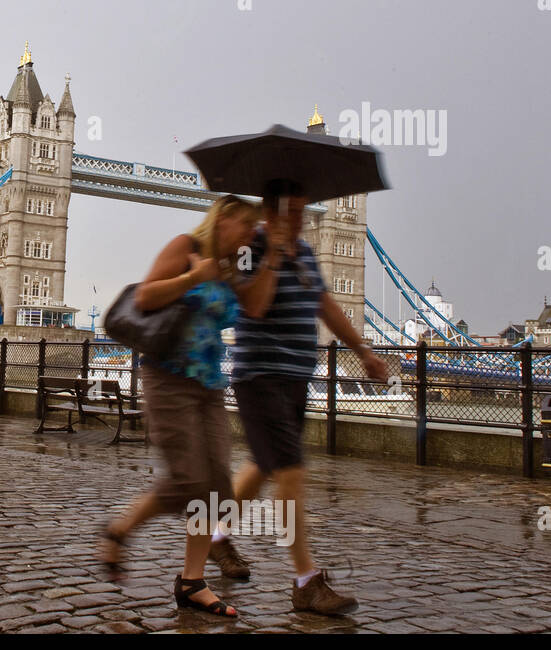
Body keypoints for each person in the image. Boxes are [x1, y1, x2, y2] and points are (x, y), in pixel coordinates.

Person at [219, 180, 387, 615]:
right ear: (271, 213)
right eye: (292, 211)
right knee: (291, 471)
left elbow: (325, 305)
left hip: (296, 376)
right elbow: (253, 306)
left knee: (264, 465)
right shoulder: (248, 248)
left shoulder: (308, 253)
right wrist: (273, 255)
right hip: (261, 375)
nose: (302, 218)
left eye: (304, 210)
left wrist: (363, 351)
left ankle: (214, 535)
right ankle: (305, 580)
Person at [99, 195, 259, 617]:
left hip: (209, 383)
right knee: (189, 480)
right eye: (247, 225)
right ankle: (118, 531)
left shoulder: (232, 268)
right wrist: (194, 277)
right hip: (168, 377)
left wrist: (266, 260)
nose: (252, 234)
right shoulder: (185, 246)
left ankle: (192, 582)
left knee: (218, 488)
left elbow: (253, 310)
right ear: (223, 219)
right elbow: (146, 297)